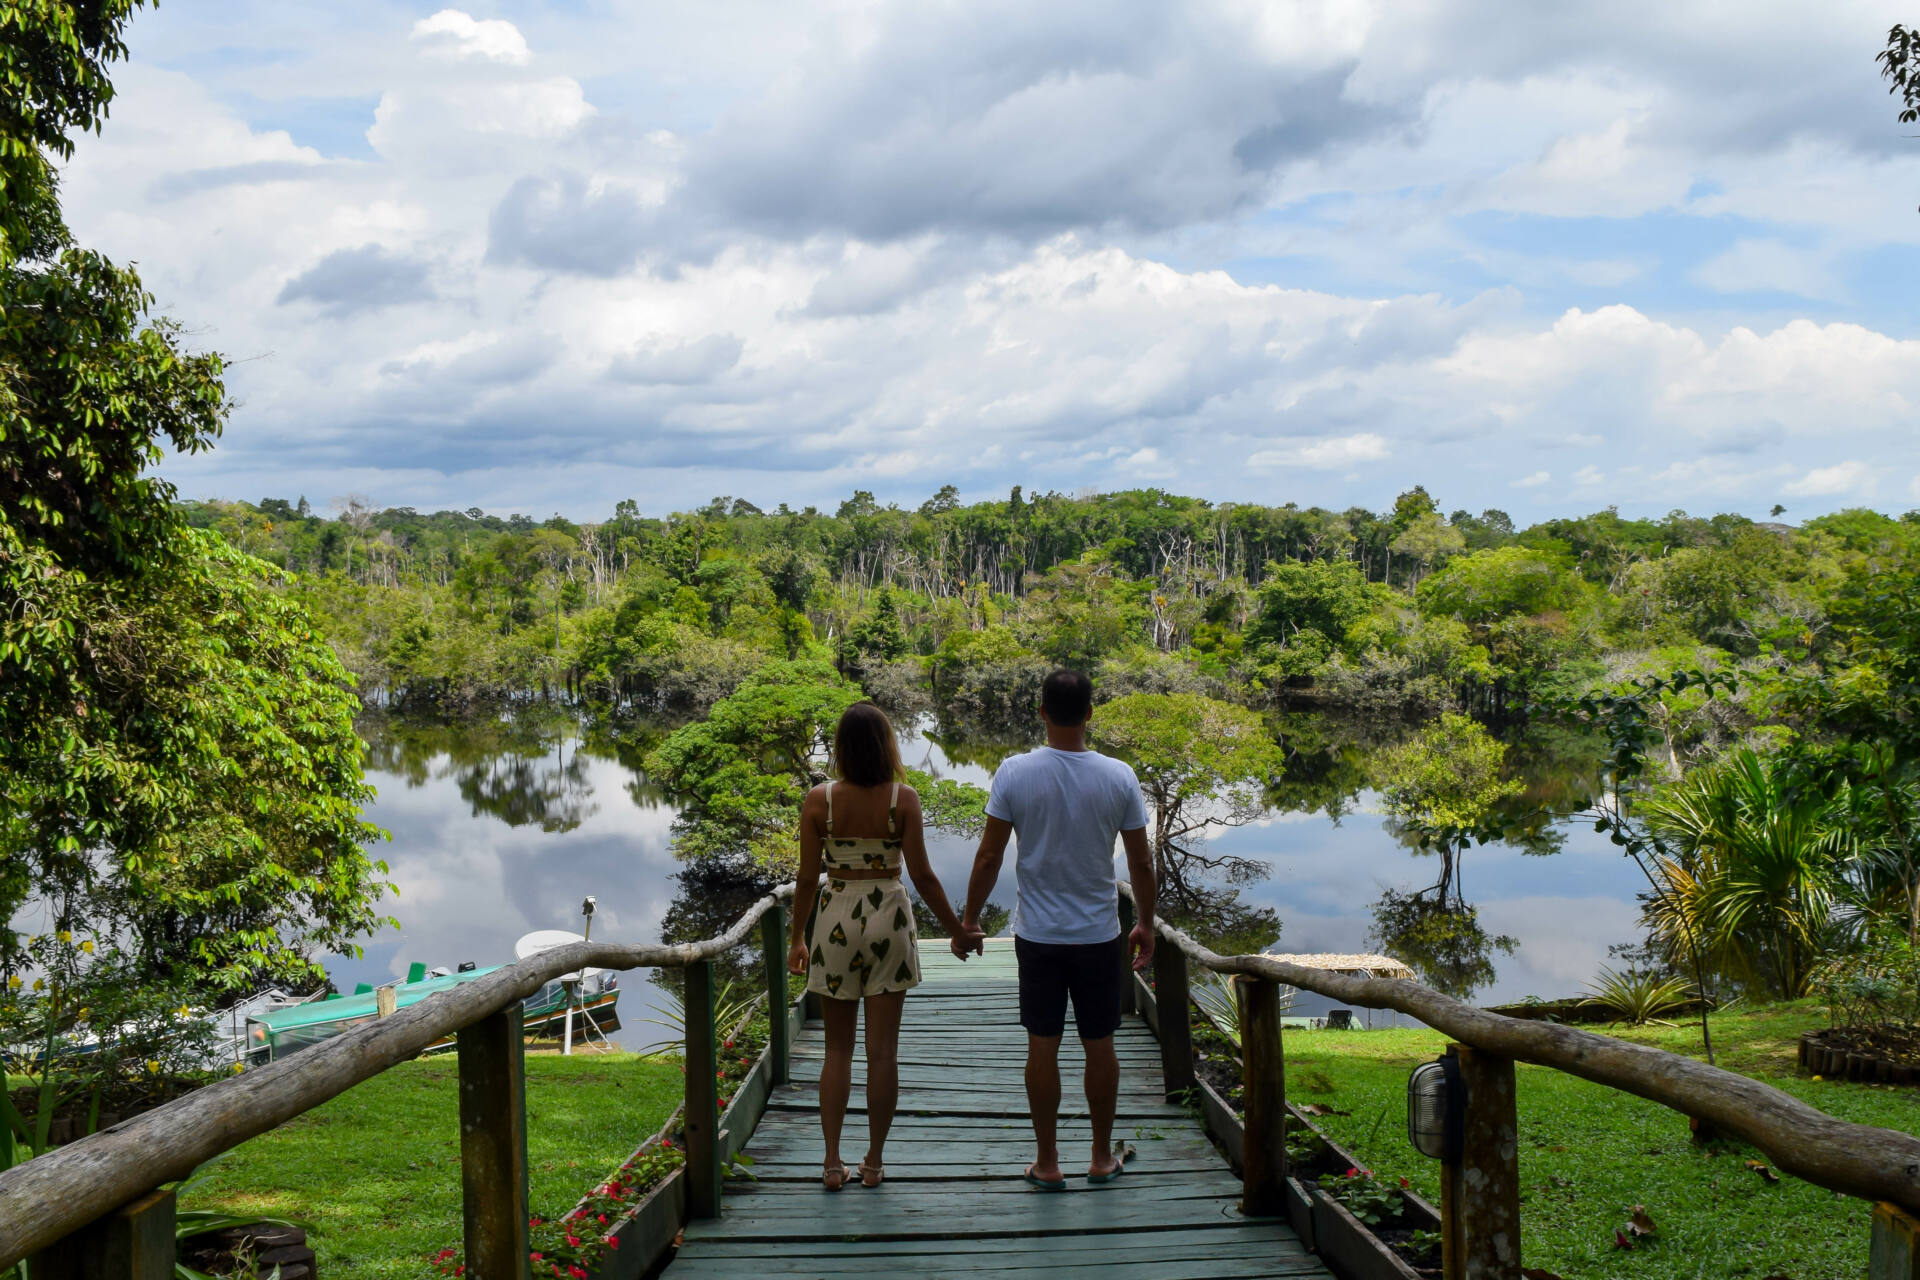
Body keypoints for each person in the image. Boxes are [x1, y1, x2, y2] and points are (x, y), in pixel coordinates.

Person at [954, 668, 1156, 1189]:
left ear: (1041, 712)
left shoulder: (1015, 772)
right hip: (1097, 935)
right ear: (1090, 714)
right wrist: (1147, 925)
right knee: (1100, 1044)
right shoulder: (1119, 776)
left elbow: (989, 855)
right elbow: (1140, 862)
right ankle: (1099, 1157)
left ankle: (1046, 1162)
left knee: (1041, 1046)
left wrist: (971, 919)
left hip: (1038, 936)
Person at [787, 701, 969, 1191]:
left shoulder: (818, 800)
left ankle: (830, 1162)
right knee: (883, 1051)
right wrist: (954, 927)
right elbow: (924, 876)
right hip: (888, 913)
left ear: (842, 748)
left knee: (836, 1051)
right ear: (887, 745)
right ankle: (872, 1163)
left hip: (835, 917)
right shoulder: (902, 799)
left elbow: (807, 879)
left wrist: (796, 939)